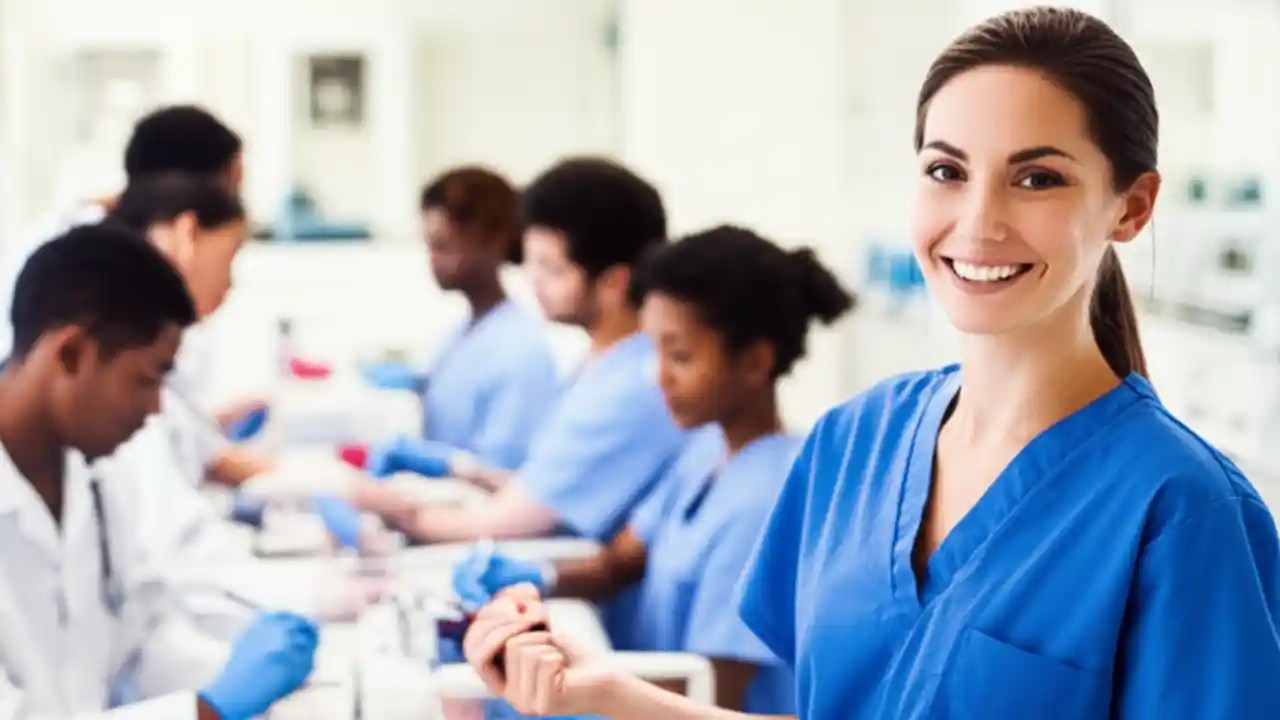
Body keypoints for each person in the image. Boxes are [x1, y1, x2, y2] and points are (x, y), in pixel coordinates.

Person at [461, 8, 1280, 719]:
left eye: (1037, 178)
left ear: (1132, 207)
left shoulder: (1183, 513)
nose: (977, 220)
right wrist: (601, 692)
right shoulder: (852, 444)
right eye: (945, 171)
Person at [451, 226, 855, 713]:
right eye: (655, 351)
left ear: (753, 362)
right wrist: (534, 579)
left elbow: (713, 696)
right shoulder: (705, 452)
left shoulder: (766, 502)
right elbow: (620, 562)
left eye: (680, 356)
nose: (659, 376)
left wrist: (587, 693)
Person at [0, 224, 315, 719]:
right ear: (71, 353)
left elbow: (142, 641)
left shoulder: (96, 481)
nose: (154, 410)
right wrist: (208, 709)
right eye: (145, 380)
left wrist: (264, 678)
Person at [344, 158, 685, 544]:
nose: (531, 278)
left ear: (613, 282)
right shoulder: (599, 366)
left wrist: (365, 499)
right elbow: (542, 487)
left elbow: (505, 522)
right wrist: (462, 470)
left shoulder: (628, 389)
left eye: (550, 267)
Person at [358, 166, 560, 475]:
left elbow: (503, 472)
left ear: (492, 239)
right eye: (429, 246)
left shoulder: (521, 351)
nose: (433, 260)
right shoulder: (463, 332)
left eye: (443, 246)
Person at [0, 105, 243, 358]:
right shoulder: (84, 262)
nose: (235, 204)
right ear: (188, 228)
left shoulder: (139, 265)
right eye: (232, 188)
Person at [105, 172, 271, 489]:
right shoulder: (125, 324)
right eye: (230, 257)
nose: (230, 283)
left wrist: (212, 424)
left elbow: (179, 439)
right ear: (188, 233)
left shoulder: (176, 336)